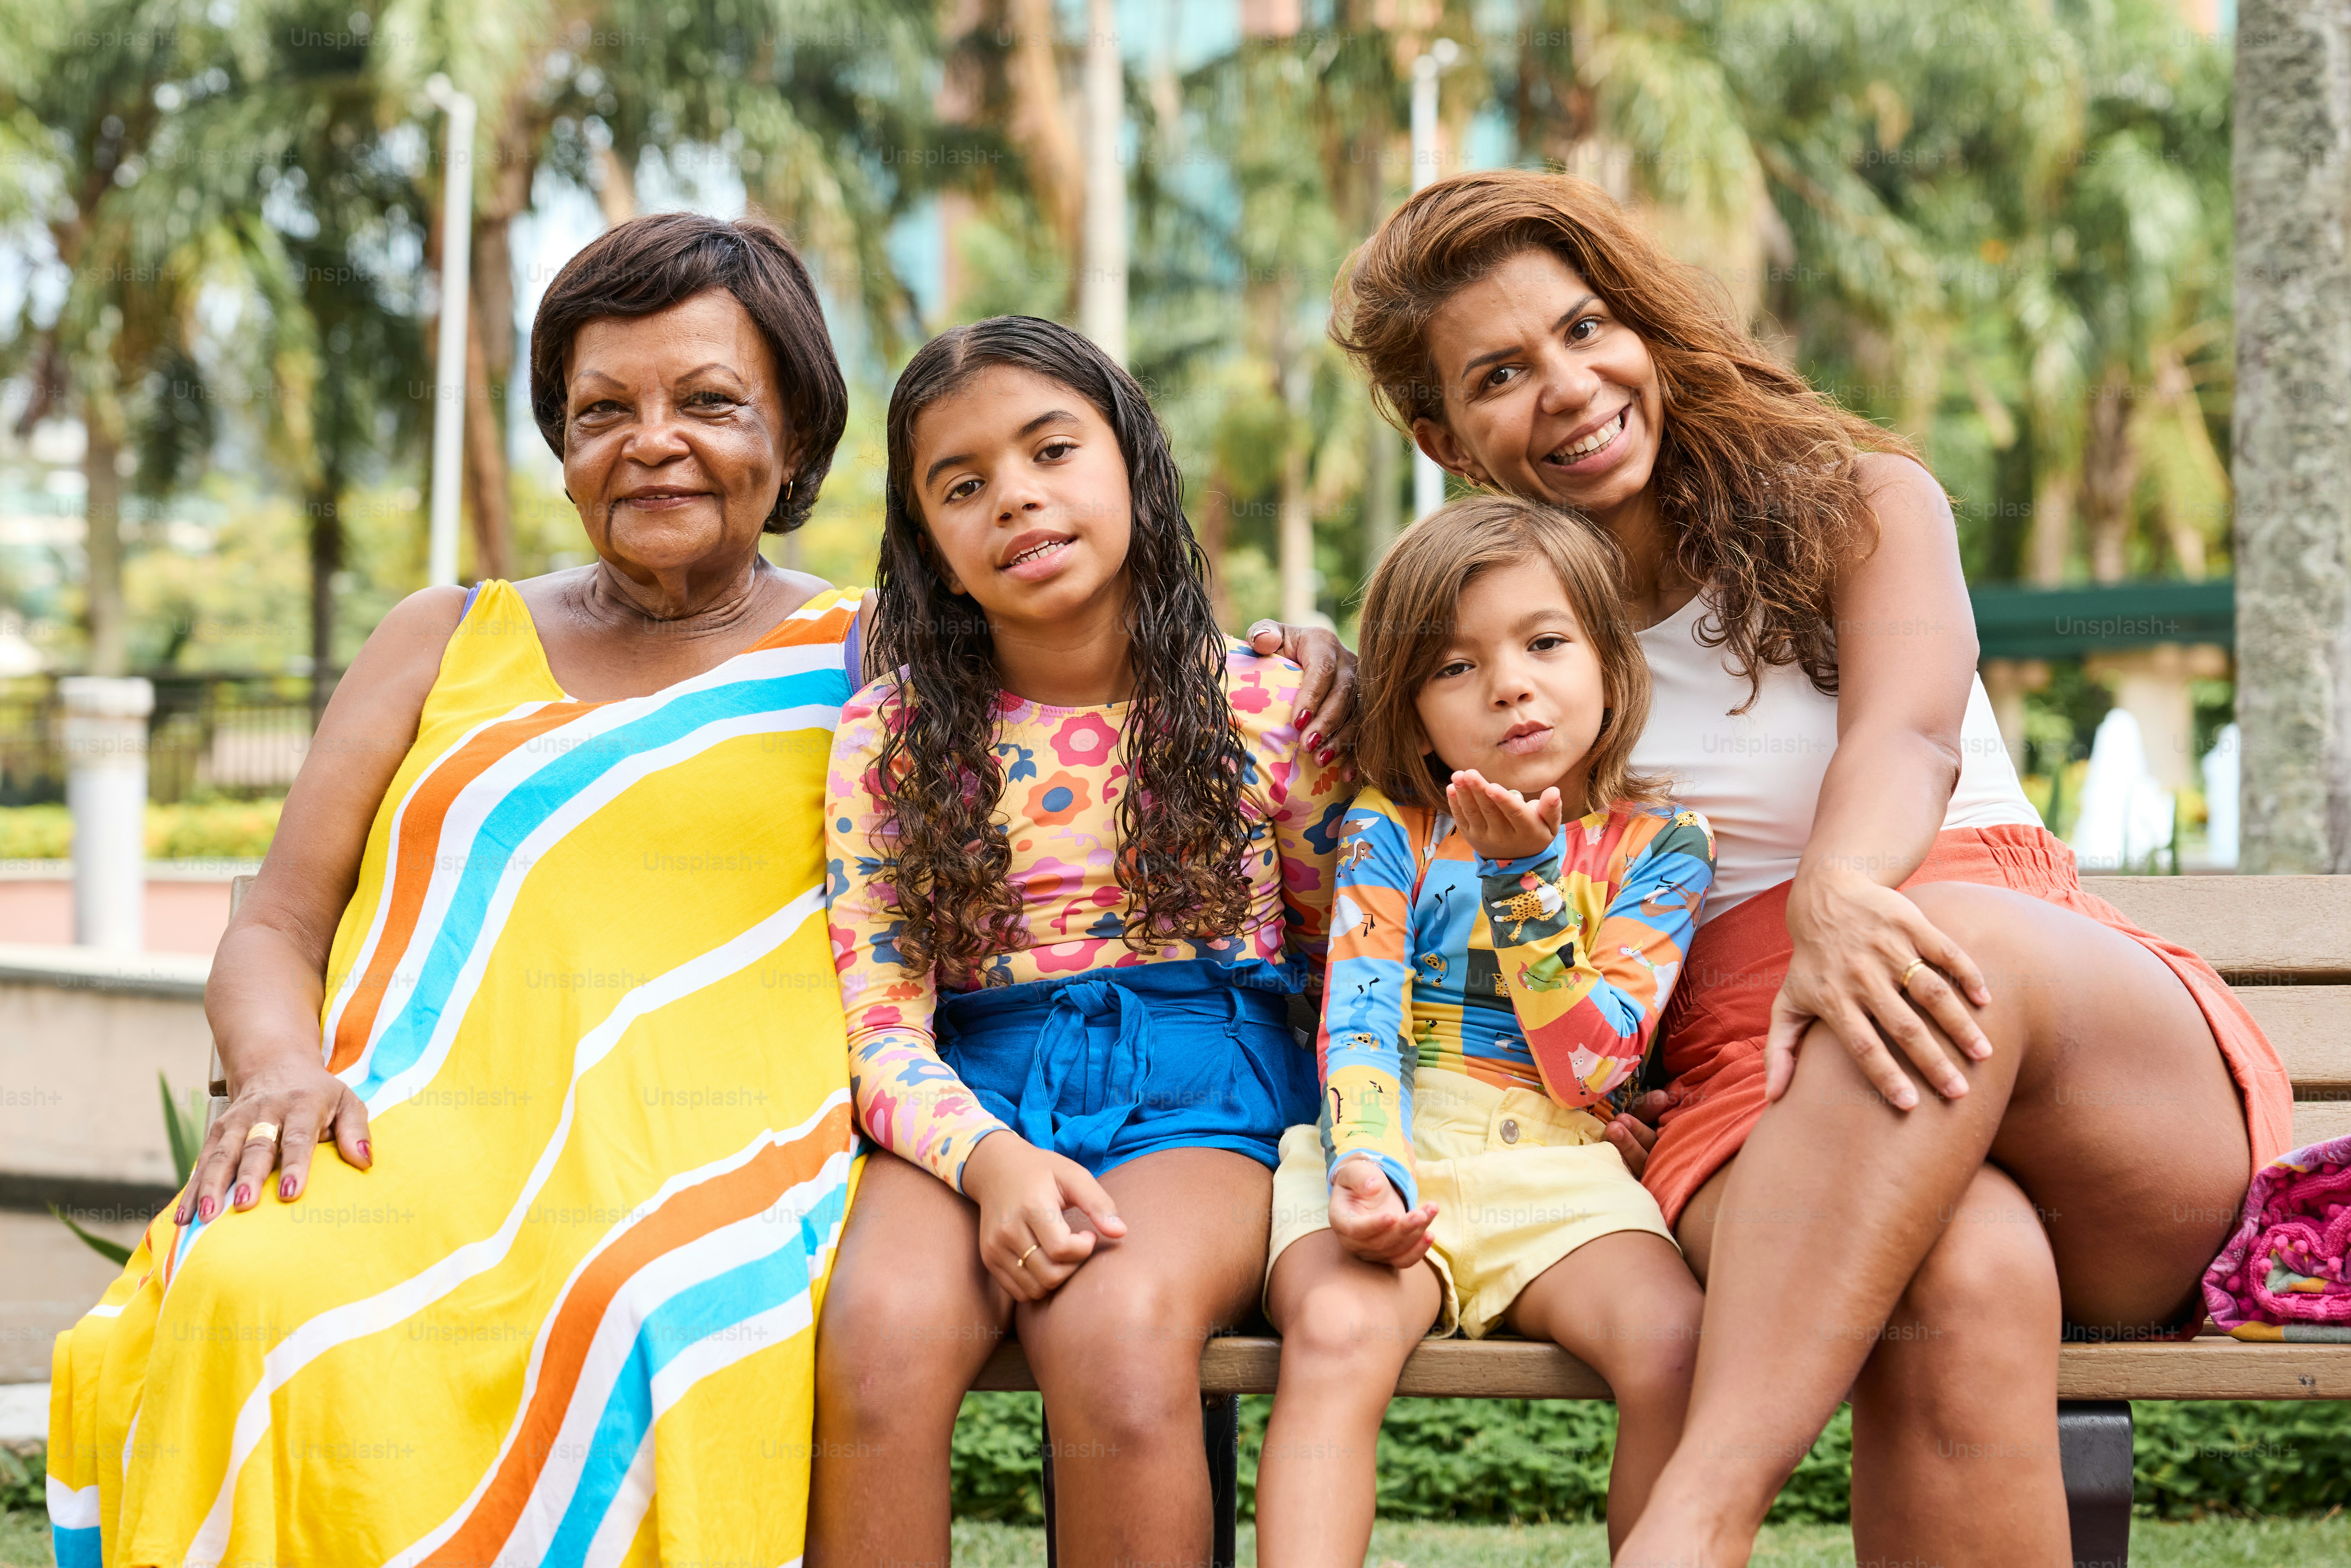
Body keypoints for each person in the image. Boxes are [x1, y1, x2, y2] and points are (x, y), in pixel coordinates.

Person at [43, 215, 1351, 1568]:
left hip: (710, 1163)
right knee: (256, 1289)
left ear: (793, 447)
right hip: (409, 1141)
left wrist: (1297, 654)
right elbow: (277, 922)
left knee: (668, 1297)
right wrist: (273, 1070)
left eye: (711, 402)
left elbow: (1101, 655)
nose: (652, 439)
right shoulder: (439, 637)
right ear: (562, 447)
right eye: (603, 408)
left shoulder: (884, 659)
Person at [1330, 169, 2292, 1567]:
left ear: (1646, 327)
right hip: (1761, 1090)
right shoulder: (1486, 653)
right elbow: (1388, 858)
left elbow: (1909, 734)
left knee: (1947, 928)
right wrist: (1306, 664)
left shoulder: (1861, 500)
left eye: (1588, 328)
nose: (1571, 385)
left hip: (2066, 1047)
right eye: (1500, 372)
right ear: (1444, 434)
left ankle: (1693, 1526)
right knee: (1962, 1265)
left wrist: (1845, 891)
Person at [808, 315, 1352, 1566]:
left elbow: (1341, 962)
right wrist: (991, 1160)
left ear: (1135, 474)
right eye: (964, 485)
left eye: (1053, 449)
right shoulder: (888, 734)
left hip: (1205, 1088)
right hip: (970, 1089)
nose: (1017, 496)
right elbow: (880, 1018)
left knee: (1114, 1324)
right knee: (876, 1327)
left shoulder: (1263, 705)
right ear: (932, 551)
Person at [1255, 496, 1716, 1565]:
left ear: (1610, 663)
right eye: (1455, 667)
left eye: (1545, 643)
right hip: (1392, 1137)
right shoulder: (1393, 827)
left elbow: (1592, 1058)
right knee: (1335, 1333)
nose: (1509, 682)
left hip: (1561, 1162)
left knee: (1678, 1343)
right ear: (1415, 714)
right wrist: (1368, 1166)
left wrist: (1521, 882)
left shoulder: (1663, 847)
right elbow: (1361, 1015)